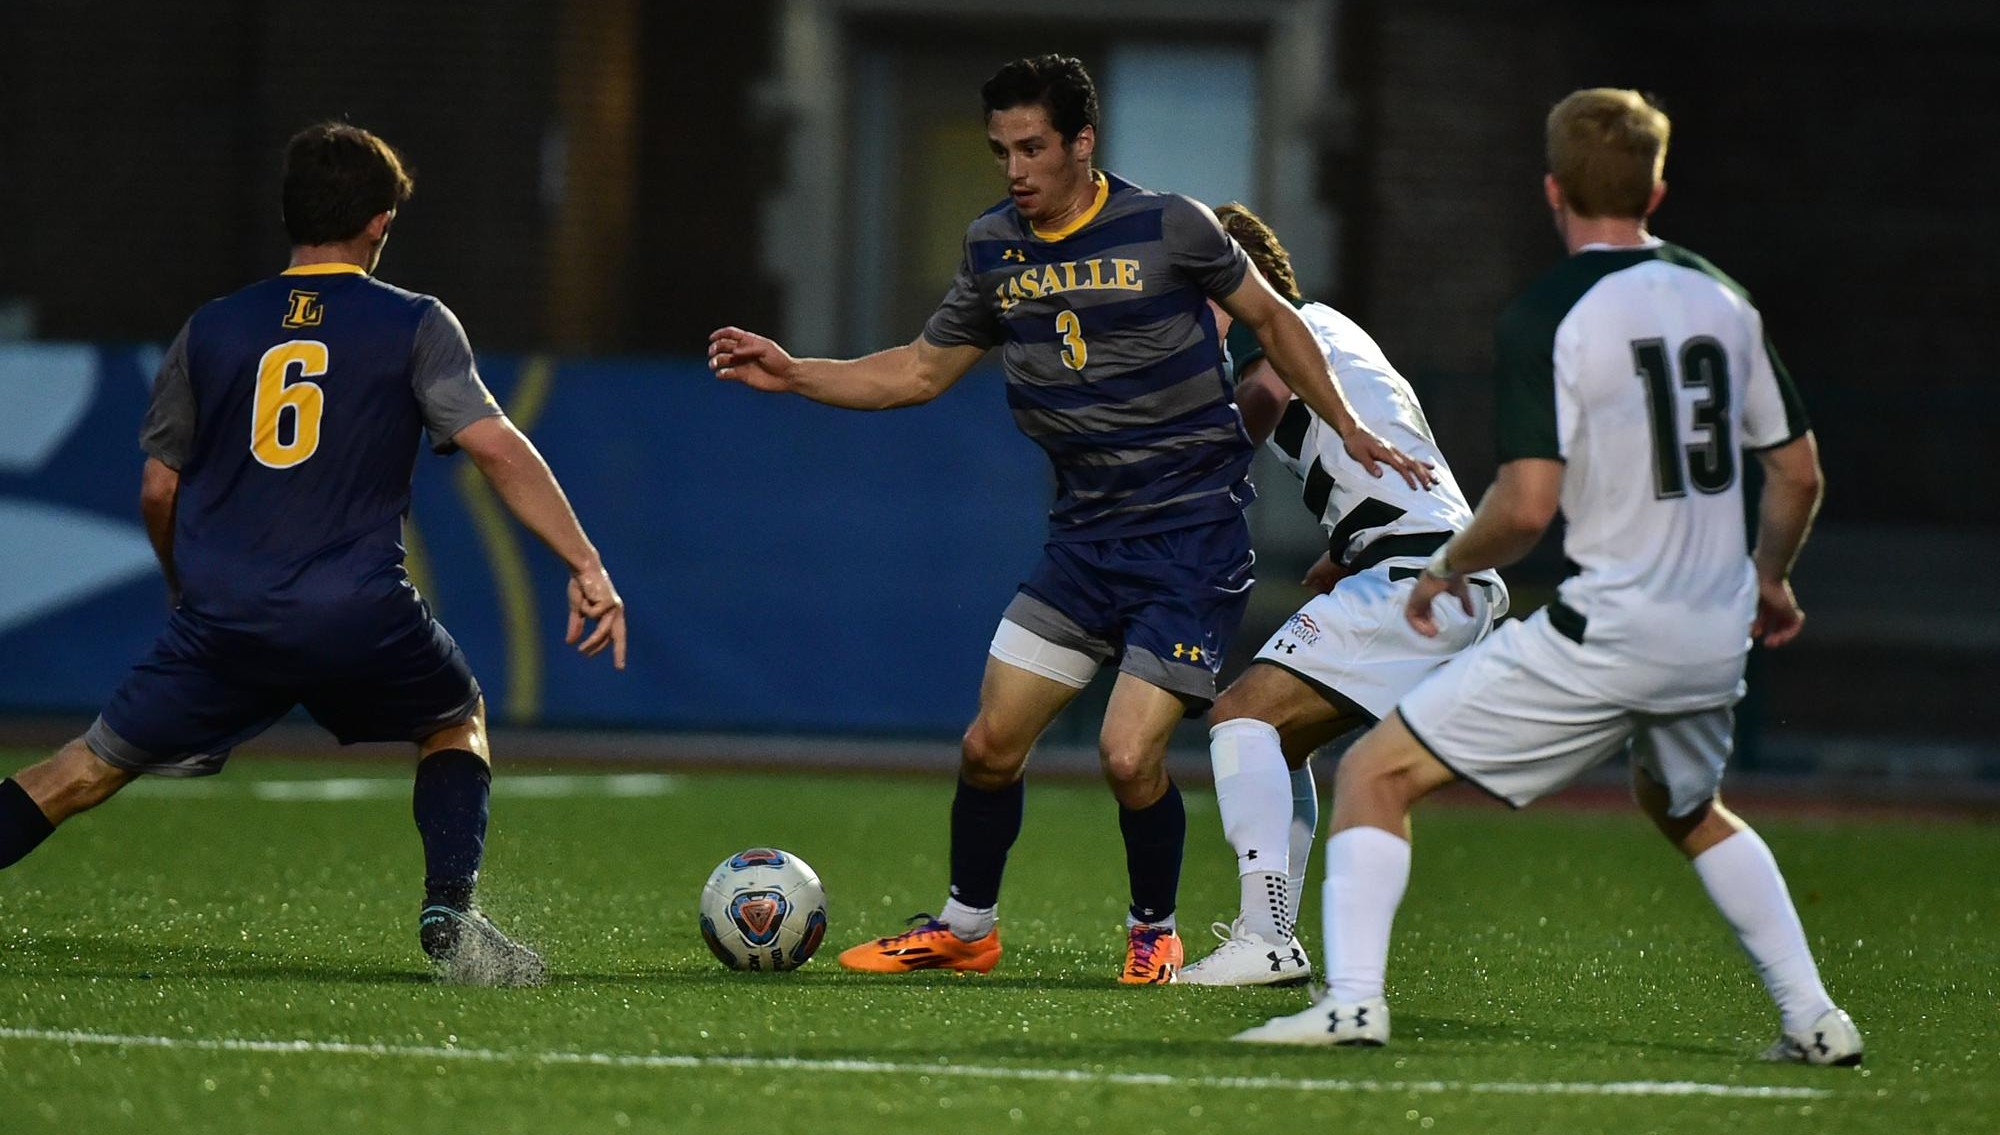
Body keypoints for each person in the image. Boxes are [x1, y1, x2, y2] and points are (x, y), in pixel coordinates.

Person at [708, 54, 1431, 984]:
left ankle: (1153, 930)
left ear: (1082, 142)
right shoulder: (992, 248)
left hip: (1189, 547)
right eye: (1002, 149)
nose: (1016, 169)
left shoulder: (1171, 226)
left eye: (1035, 147)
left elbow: (1275, 317)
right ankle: (967, 926)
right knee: (988, 743)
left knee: (1129, 756)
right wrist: (798, 370)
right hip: (1084, 544)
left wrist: (1348, 423)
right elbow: (920, 373)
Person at [1233, 89, 1859, 1064]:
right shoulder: (1721, 301)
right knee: (1687, 806)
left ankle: (1350, 1002)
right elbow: (1798, 471)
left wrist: (1443, 562)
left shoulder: (1549, 313)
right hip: (1710, 626)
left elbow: (1523, 508)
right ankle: (1815, 1017)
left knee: (1370, 772)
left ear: (1551, 190)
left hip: (1608, 628)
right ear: (1656, 185)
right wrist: (1768, 578)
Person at [0, 122, 627, 987]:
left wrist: (188, 590)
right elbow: (496, 448)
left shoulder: (212, 328)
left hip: (225, 619)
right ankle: (451, 909)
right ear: (379, 224)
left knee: (81, 769)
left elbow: (157, 489)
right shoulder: (412, 322)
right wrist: (584, 562)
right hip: (357, 612)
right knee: (454, 719)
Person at [1177, 204, 1508, 986]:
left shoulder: (1287, 346)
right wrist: (1341, 551)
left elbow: (1227, 446)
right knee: (1278, 736)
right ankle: (1273, 934)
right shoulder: (1335, 330)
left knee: (1241, 715)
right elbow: (1387, 464)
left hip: (1413, 576)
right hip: (1429, 567)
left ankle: (1266, 938)